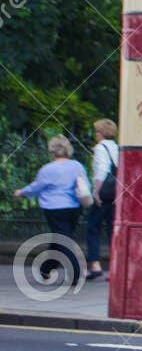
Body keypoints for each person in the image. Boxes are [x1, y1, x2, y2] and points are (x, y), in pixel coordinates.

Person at [14, 135, 92, 287]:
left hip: (54, 209)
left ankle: (75, 273)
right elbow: (85, 185)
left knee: (63, 240)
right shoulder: (77, 166)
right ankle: (46, 267)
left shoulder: (47, 169)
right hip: (74, 208)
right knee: (61, 237)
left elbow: (36, 187)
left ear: (52, 150)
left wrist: (21, 192)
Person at [85, 119, 118, 282]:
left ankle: (95, 265)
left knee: (93, 227)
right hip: (115, 194)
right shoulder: (117, 147)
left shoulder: (100, 148)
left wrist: (96, 193)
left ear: (101, 133)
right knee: (113, 231)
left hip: (104, 194)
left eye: (96, 132)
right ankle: (114, 269)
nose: (95, 135)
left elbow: (101, 171)